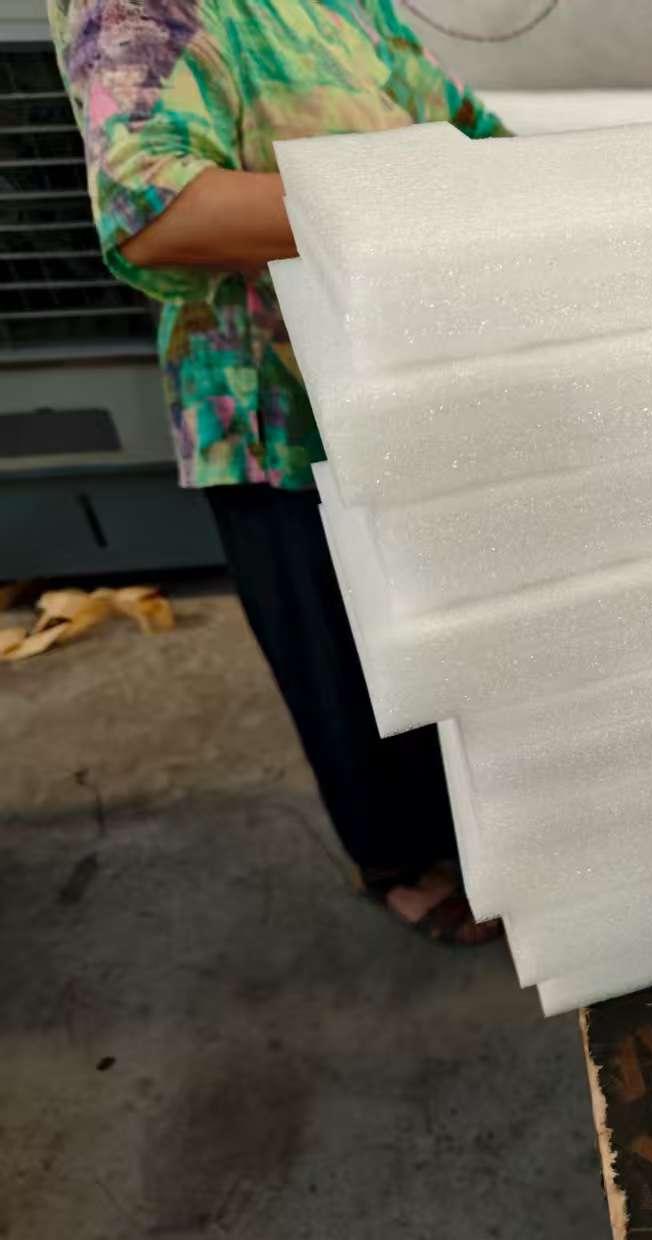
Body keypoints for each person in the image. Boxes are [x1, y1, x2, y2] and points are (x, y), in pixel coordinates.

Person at [50, 0, 507, 944]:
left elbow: (451, 119)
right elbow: (154, 208)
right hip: (273, 402)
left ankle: (470, 833)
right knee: (341, 663)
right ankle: (398, 859)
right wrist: (408, 209)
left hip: (387, 376)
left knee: (426, 639)